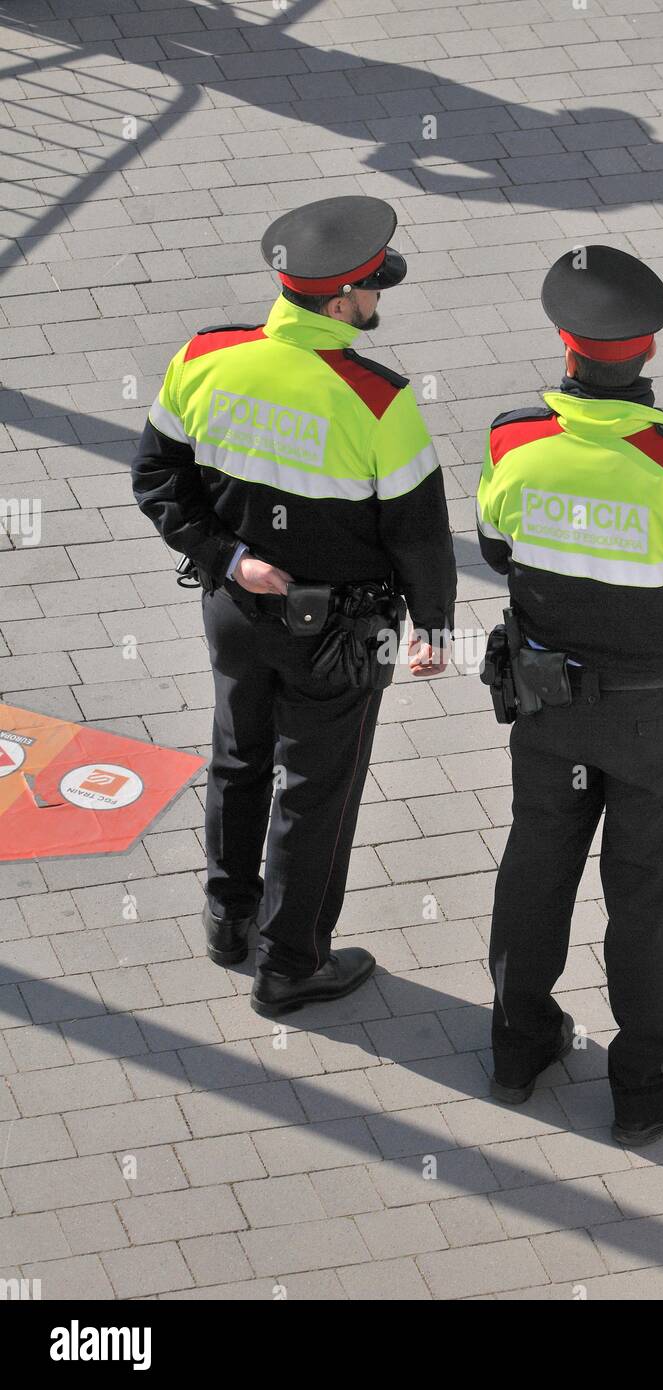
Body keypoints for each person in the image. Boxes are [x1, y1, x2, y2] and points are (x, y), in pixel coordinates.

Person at [132, 196, 456, 1019]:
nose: (378, 299)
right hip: (344, 637)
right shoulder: (380, 400)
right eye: (372, 289)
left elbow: (158, 478)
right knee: (317, 790)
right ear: (342, 299)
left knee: (238, 757)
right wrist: (435, 625)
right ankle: (289, 964)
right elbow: (419, 534)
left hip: (235, 609)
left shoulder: (205, 356)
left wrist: (230, 558)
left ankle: (227, 918)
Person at [476, 245, 663, 1146]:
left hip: (548, 708)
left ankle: (519, 1050)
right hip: (657, 724)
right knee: (643, 901)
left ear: (565, 345)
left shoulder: (512, 442)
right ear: (646, 356)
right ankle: (642, 1090)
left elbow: (496, 549)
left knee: (535, 867)